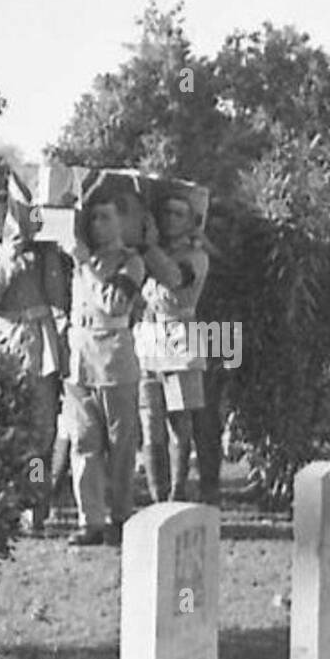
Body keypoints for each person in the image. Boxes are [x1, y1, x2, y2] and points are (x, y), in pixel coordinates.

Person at [0, 190, 65, 533]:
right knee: (5, 431)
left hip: (40, 347)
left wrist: (45, 249)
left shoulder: (39, 252)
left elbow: (58, 293)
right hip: (4, 347)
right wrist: (6, 260)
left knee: (42, 432)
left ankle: (36, 503)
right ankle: (6, 501)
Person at [63, 193, 146, 546]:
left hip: (114, 360)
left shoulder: (131, 262)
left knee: (120, 445)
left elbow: (115, 304)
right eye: (93, 218)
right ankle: (90, 519)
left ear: (122, 222)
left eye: (105, 218)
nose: (98, 225)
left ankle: (120, 515)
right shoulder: (80, 259)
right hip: (79, 360)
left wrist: (87, 267)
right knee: (83, 441)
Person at [136, 195, 212, 504]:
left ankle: (178, 491)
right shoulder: (154, 252)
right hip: (149, 338)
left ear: (192, 221)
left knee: (180, 421)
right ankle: (157, 494)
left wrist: (148, 247)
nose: (170, 218)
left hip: (181, 338)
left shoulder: (196, 256)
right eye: (166, 211)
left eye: (178, 214)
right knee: (150, 421)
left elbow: (173, 277)